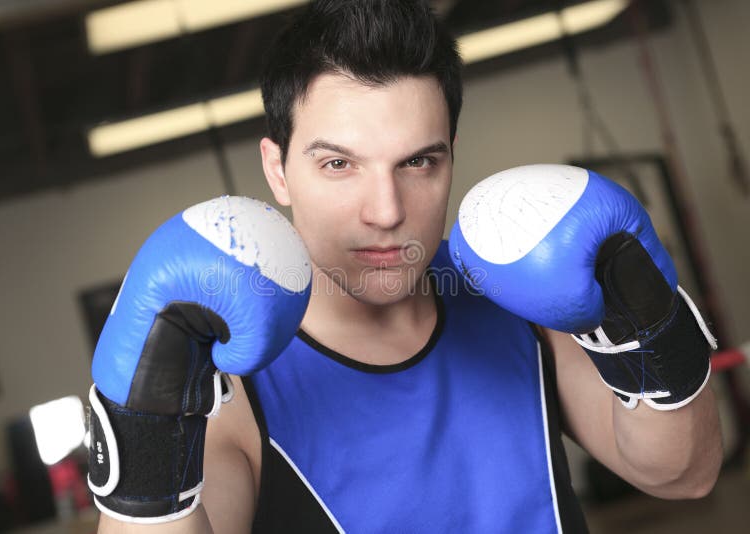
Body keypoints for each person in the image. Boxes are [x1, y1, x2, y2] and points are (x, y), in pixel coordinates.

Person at [88, 1, 723, 532]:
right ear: (277, 169)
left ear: (450, 158)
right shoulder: (239, 392)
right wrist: (143, 432)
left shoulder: (513, 298)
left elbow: (686, 474)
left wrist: (643, 312)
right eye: (339, 164)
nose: (387, 211)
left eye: (418, 162)